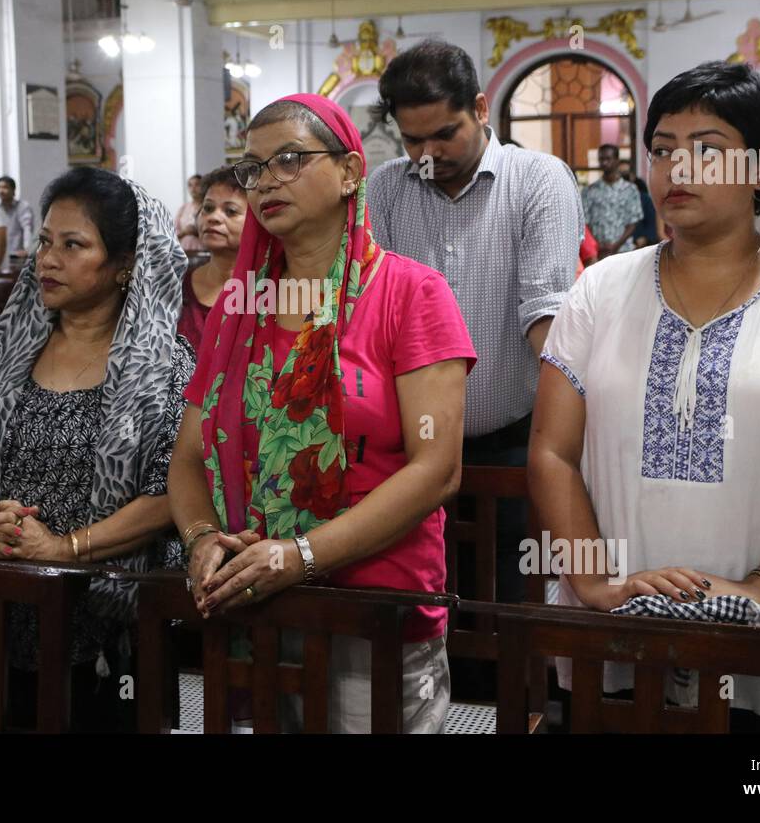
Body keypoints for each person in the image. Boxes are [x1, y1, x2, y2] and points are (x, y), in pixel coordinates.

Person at [530, 61, 760, 732]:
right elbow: (554, 453)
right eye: (664, 150)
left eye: (707, 149)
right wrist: (593, 582)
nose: (678, 168)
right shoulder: (600, 290)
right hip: (625, 637)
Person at [169, 94, 476, 733]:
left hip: (373, 606)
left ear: (349, 173)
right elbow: (191, 456)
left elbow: (436, 468)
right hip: (254, 595)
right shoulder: (240, 309)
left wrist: (301, 555)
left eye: (289, 159)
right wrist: (201, 541)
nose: (265, 183)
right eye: (253, 169)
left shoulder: (410, 293)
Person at [0, 166, 192, 732]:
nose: (47, 259)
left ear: (124, 264)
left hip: (116, 619)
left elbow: (176, 491)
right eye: (46, 241)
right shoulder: (8, 345)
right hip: (7, 596)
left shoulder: (164, 366)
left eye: (74, 245)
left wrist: (65, 548)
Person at [366, 38, 582, 602]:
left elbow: (545, 309)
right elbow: (373, 312)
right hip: (405, 451)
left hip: (510, 443)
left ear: (481, 110)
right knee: (420, 605)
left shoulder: (538, 180)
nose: (428, 153)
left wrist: (587, 399)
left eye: (445, 133)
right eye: (413, 140)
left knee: (506, 606)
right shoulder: (386, 189)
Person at [177, 165, 246, 351]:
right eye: (207, 208)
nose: (213, 217)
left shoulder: (270, 292)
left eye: (230, 211)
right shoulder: (175, 286)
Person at [582, 143, 643, 258]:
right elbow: (585, 223)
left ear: (617, 160)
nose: (604, 162)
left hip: (624, 251)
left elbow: (633, 222)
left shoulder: (630, 190)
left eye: (608, 159)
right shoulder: (589, 191)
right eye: (601, 159)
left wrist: (616, 245)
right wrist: (597, 244)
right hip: (598, 253)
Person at [0, 175, 36, 257]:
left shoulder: (23, 207)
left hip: (17, 255)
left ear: (13, 190)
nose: (1, 191)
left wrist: (26, 249)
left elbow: (27, 229)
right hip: (1, 256)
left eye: (5, 187)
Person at [174, 174, 206, 255]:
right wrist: (185, 232)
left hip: (203, 251)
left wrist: (196, 232)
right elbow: (173, 234)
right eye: (190, 185)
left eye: (197, 184)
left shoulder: (207, 207)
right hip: (183, 251)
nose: (193, 188)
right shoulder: (183, 208)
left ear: (204, 186)